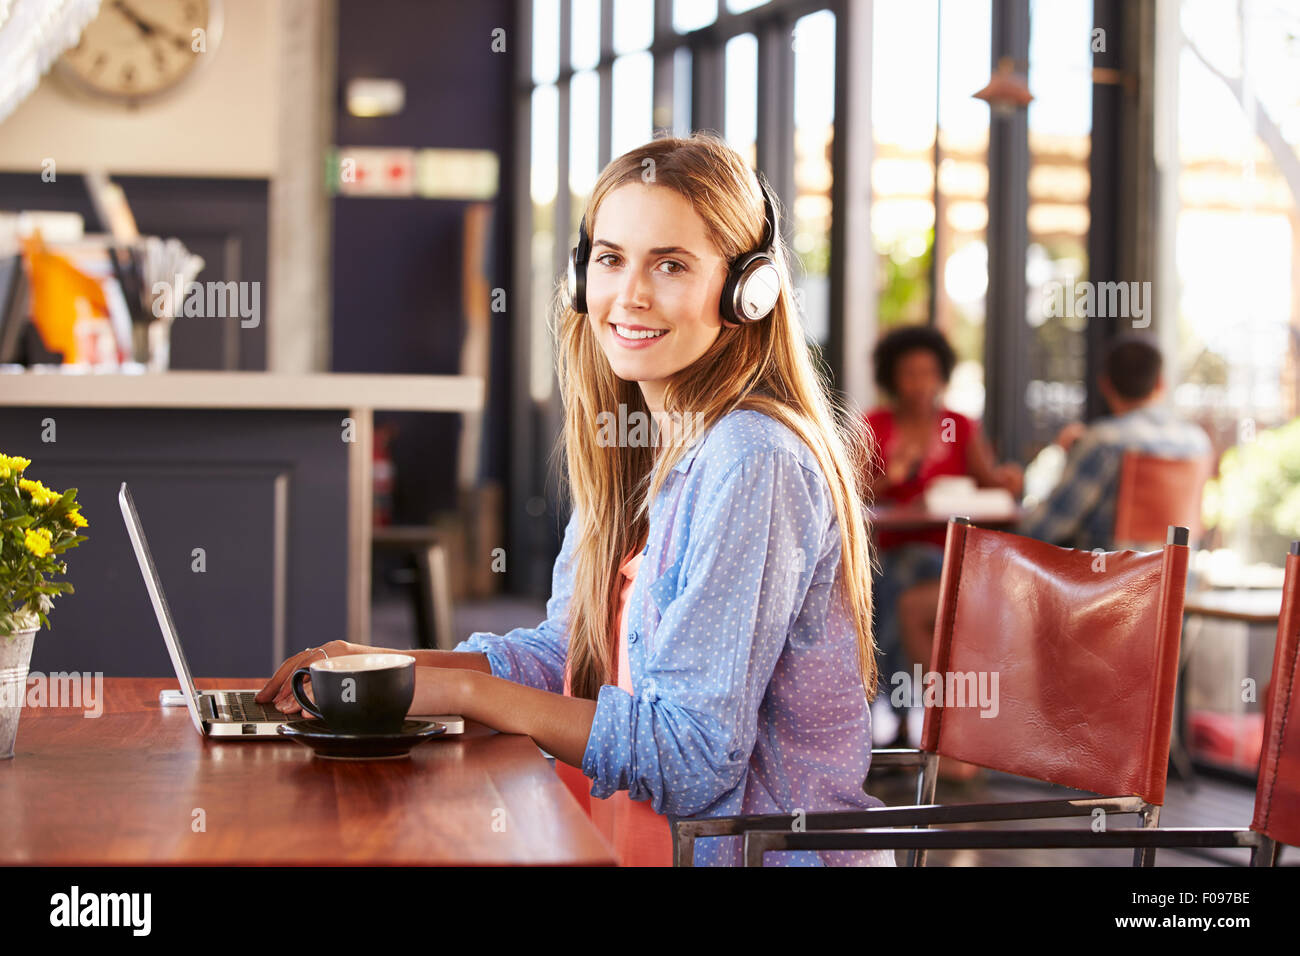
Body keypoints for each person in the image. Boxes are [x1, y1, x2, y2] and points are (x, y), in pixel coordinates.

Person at [257, 132, 893, 867]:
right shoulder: (638, 448)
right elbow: (563, 656)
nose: (631, 295)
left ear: (746, 291)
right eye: (611, 259)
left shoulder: (753, 462)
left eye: (672, 265)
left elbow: (692, 759)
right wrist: (380, 666)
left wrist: (460, 696)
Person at [862, 325, 1022, 752]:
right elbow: (853, 494)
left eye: (928, 373)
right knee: (890, 582)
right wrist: (893, 477)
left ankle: (895, 711)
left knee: (894, 587)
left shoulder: (958, 426)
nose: (919, 383)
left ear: (942, 376)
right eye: (909, 373)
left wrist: (1008, 479)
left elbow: (991, 483)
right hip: (891, 548)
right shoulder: (874, 425)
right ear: (892, 377)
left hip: (945, 549)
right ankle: (903, 715)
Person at [1018, 334, 1211, 550]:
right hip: (1176, 582)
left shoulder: (1103, 442)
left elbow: (1041, 530)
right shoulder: (1198, 442)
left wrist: (1063, 458)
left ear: (1105, 385)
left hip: (1107, 581)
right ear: (1160, 383)